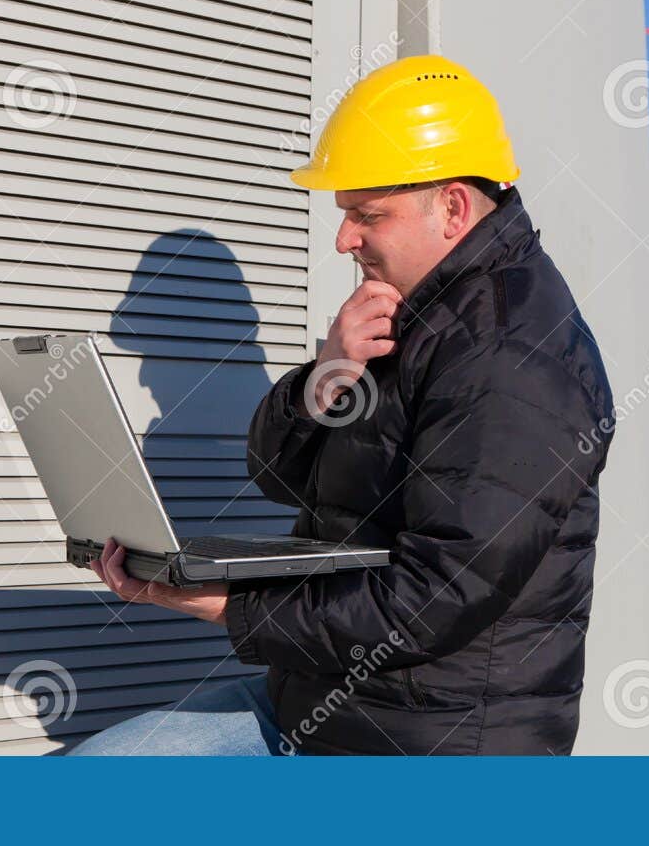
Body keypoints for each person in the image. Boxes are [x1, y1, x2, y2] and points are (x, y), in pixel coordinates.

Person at [71, 54, 615, 756]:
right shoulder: (407, 316)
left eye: (367, 215)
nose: (343, 238)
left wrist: (234, 607)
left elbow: (438, 592)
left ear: (451, 207)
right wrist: (322, 377)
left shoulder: (513, 357)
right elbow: (275, 473)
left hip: (430, 738)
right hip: (319, 699)